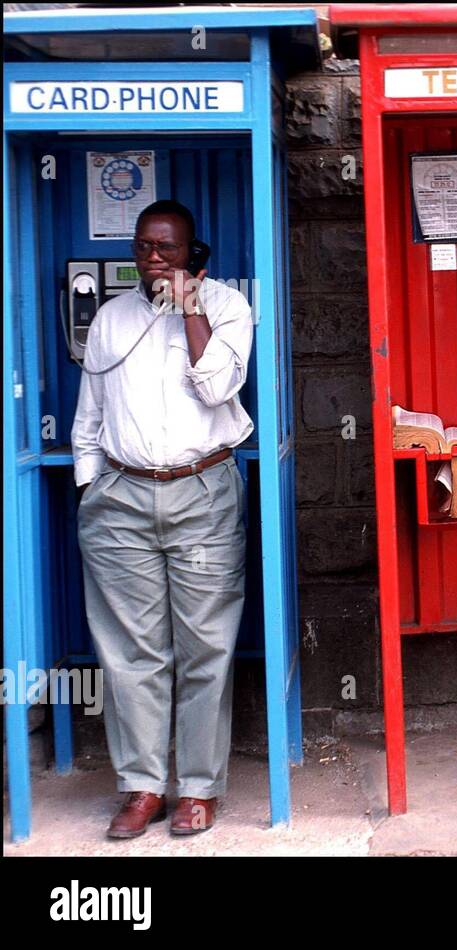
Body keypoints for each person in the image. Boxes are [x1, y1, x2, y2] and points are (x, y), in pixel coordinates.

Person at [71, 199, 254, 837]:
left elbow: (216, 387)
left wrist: (190, 306)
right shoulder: (112, 319)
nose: (154, 258)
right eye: (144, 246)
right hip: (120, 499)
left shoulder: (228, 308)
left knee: (205, 644)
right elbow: (89, 413)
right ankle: (143, 786)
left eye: (167, 248)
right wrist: (89, 486)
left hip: (200, 492)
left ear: (193, 252)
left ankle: (198, 788)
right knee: (131, 652)